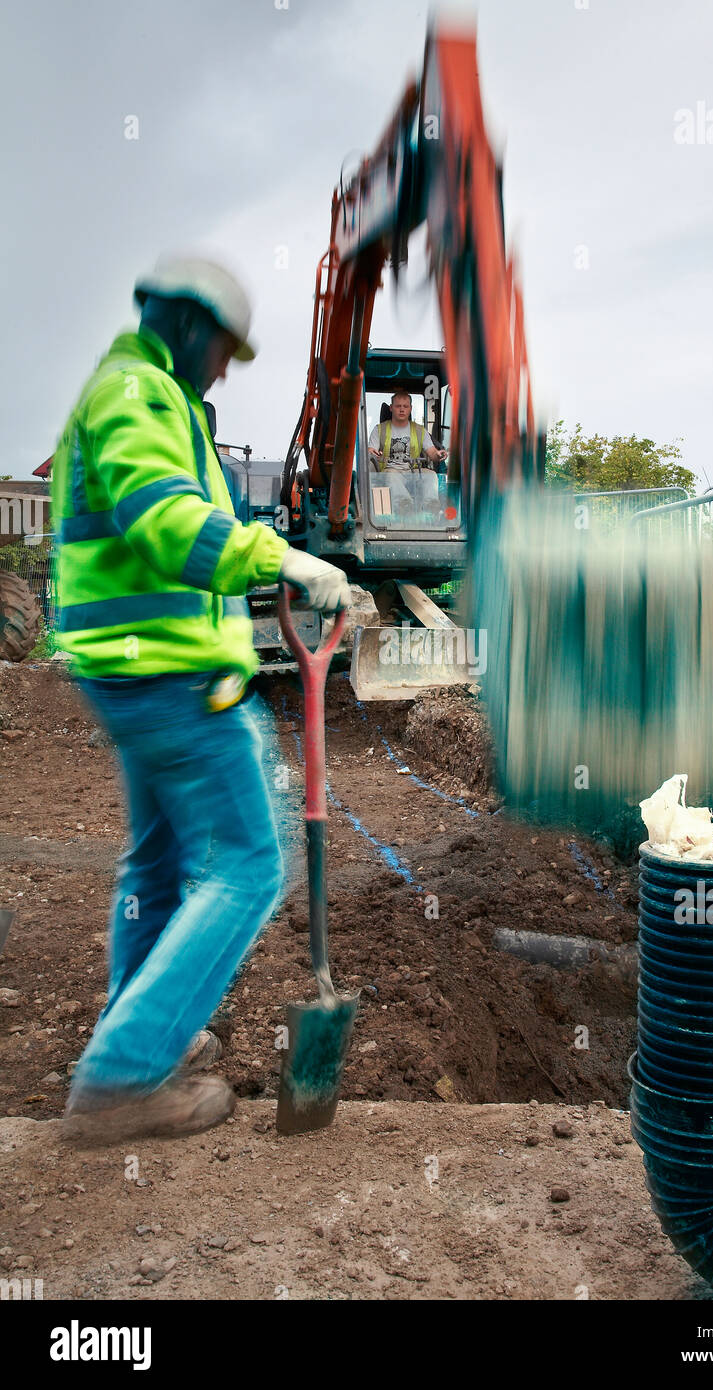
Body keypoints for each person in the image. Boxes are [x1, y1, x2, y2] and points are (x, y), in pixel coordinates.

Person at [52, 253, 351, 1144]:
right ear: (183, 324)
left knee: (155, 867)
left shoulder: (151, 398)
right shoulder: (137, 396)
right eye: (221, 345)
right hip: (173, 678)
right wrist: (284, 559)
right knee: (247, 867)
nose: (225, 364)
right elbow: (168, 523)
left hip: (131, 672)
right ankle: (126, 1074)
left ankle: (137, 1032)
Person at [368, 389, 447, 514]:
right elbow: (371, 449)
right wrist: (373, 452)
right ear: (391, 408)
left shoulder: (420, 430)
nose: (401, 409)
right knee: (392, 477)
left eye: (405, 406)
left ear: (410, 408)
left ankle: (431, 510)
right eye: (398, 406)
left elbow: (432, 452)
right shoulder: (379, 430)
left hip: (413, 471)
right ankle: (405, 508)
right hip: (390, 470)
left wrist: (438, 455)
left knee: (430, 475)